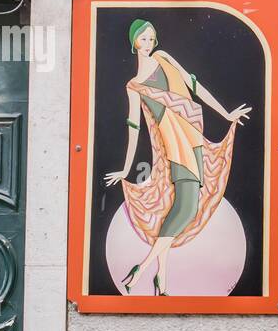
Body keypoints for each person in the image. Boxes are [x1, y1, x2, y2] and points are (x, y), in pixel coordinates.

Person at [105, 19, 251, 294]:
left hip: (194, 136)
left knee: (177, 209)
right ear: (134, 41)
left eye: (151, 38)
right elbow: (133, 126)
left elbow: (194, 85)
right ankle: (142, 268)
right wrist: (126, 169)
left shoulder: (163, 57)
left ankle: (161, 278)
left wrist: (226, 113)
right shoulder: (134, 85)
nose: (148, 44)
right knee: (186, 209)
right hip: (175, 148)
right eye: (143, 39)